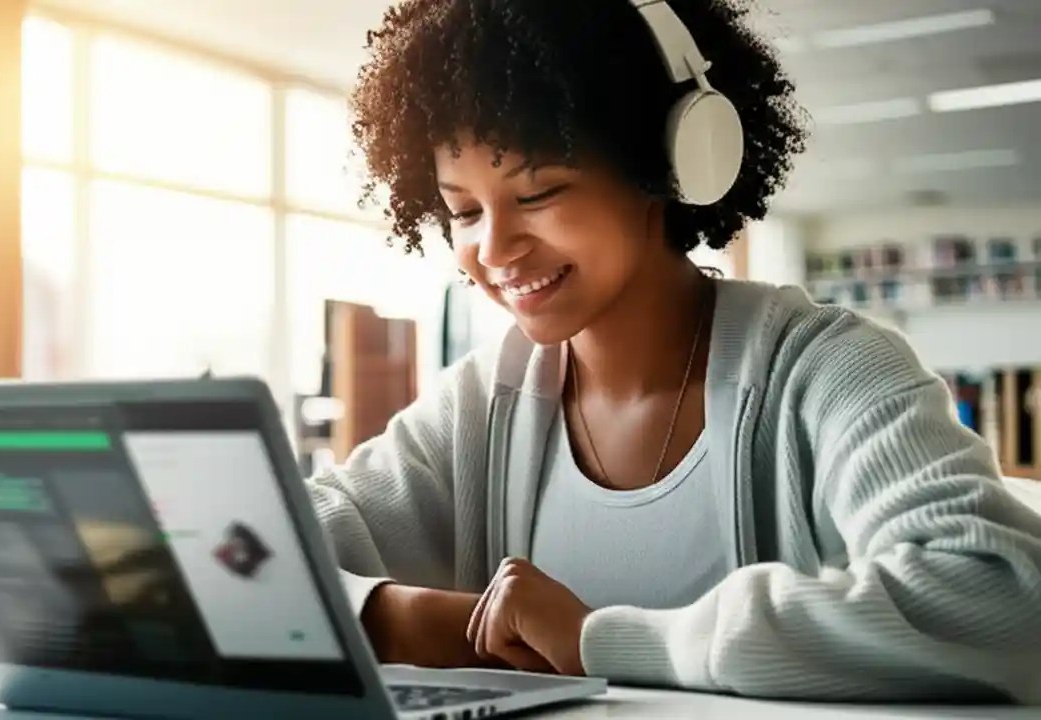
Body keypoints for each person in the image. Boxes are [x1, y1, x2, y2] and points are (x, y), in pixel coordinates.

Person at [306, 0, 1041, 704]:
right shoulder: (480, 404)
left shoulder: (829, 370)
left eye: (539, 193)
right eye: (463, 210)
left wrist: (604, 641)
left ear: (666, 165)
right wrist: (408, 621)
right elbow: (267, 548)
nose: (491, 248)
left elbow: (1001, 599)